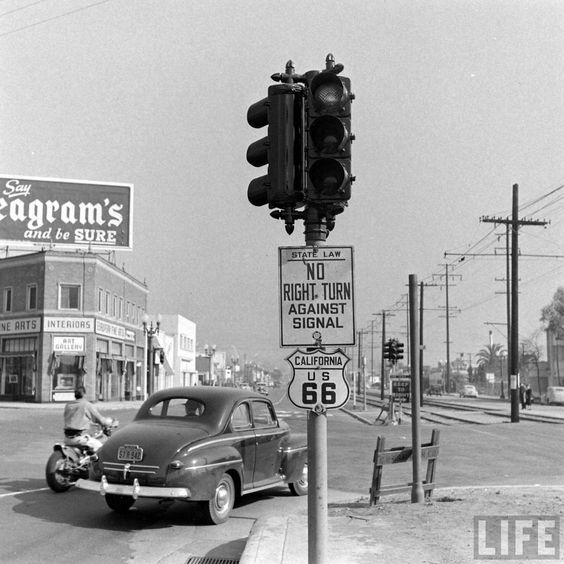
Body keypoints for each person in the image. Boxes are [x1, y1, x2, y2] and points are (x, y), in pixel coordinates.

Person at [63, 386, 113, 452]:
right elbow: (100, 419)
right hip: (80, 438)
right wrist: (108, 423)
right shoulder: (86, 405)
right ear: (84, 394)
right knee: (101, 448)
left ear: (74, 395)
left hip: (67, 439)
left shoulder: (68, 405)